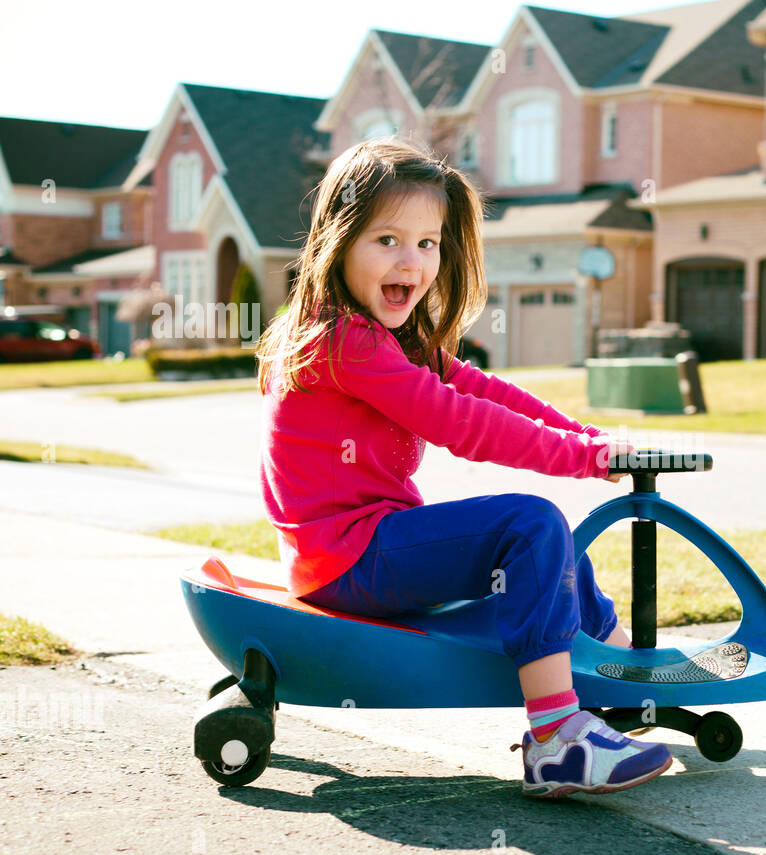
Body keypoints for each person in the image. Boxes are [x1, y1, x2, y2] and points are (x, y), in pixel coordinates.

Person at [255, 137, 672, 798]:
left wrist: (592, 438)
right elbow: (459, 422)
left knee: (557, 548)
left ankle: (620, 677)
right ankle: (557, 740)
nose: (412, 261)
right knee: (529, 523)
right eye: (387, 239)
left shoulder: (389, 337)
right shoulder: (343, 340)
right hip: (348, 557)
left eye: (428, 244)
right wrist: (588, 458)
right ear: (338, 241)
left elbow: (486, 393)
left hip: (359, 547)